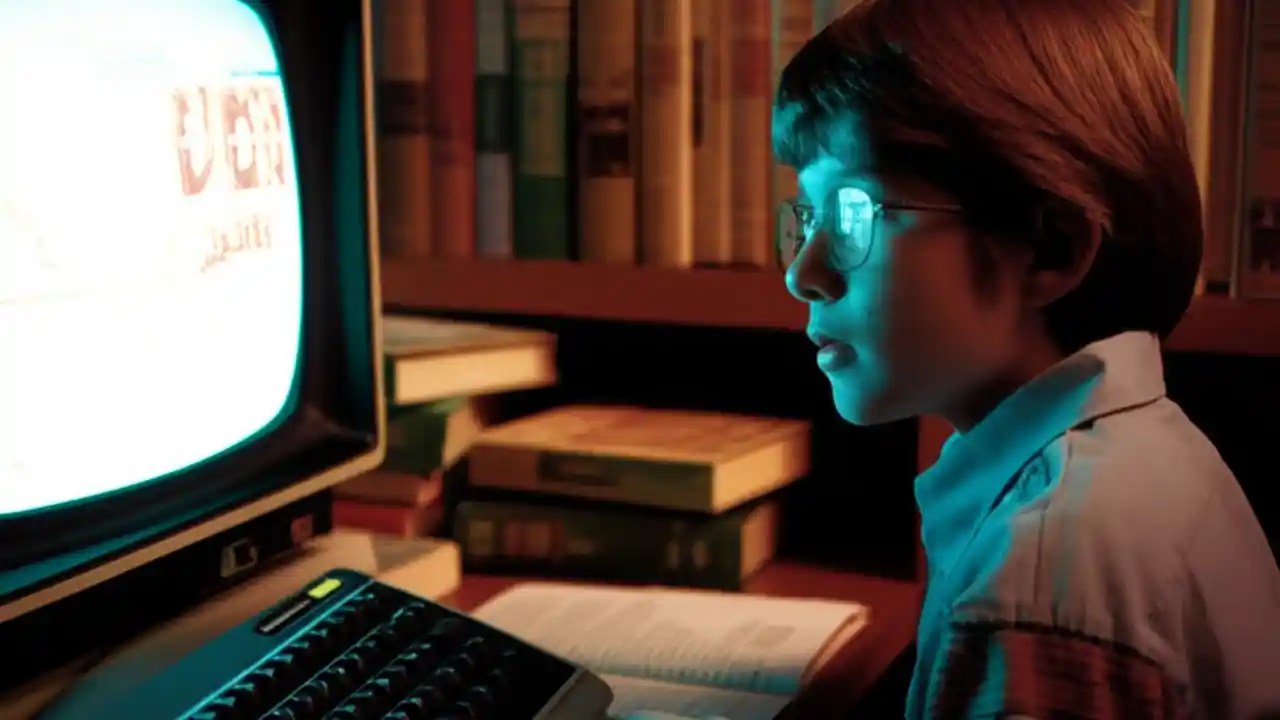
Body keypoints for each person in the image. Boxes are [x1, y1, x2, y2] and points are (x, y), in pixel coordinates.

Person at [770, 0, 1280, 718]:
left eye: (854, 215)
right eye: (807, 217)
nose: (804, 274)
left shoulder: (1040, 582)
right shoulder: (1149, 457)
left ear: (1050, 249)